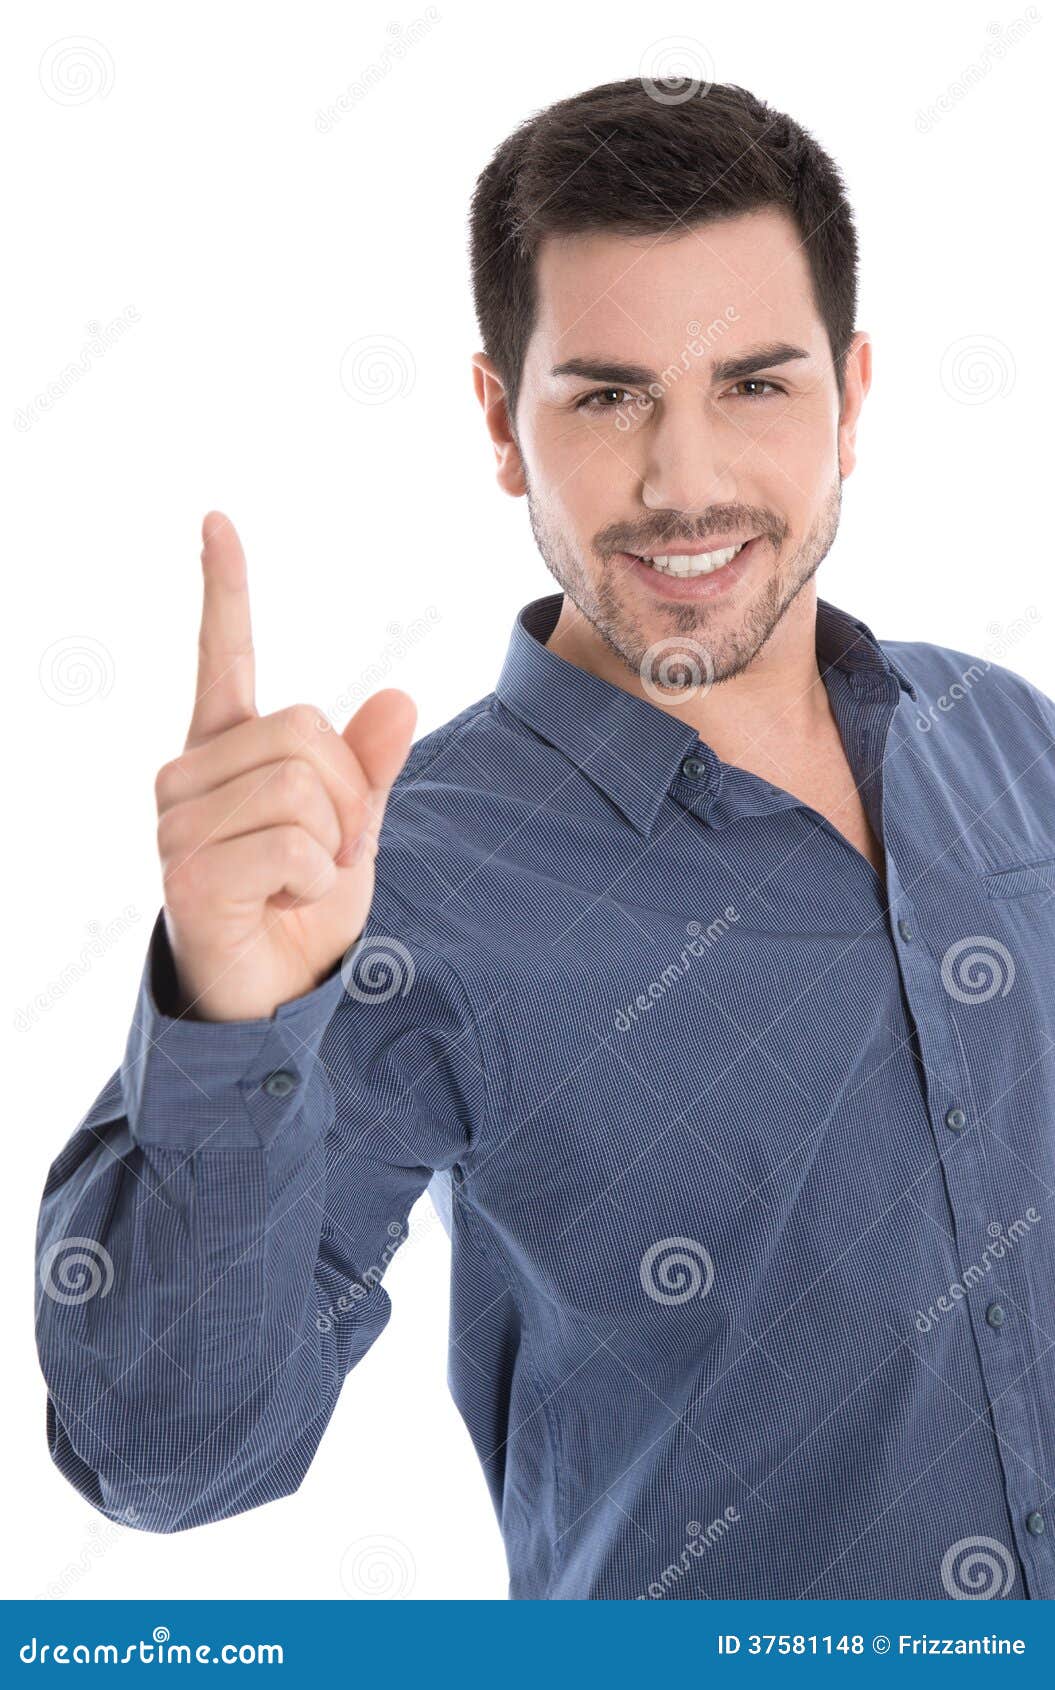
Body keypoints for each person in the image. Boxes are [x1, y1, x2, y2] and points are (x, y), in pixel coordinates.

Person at [35, 77, 1055, 1601]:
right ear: (501, 422)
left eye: (755, 385)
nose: (686, 482)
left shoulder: (1010, 737)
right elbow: (167, 1451)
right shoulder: (403, 880)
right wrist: (232, 1013)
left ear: (852, 395)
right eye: (609, 396)